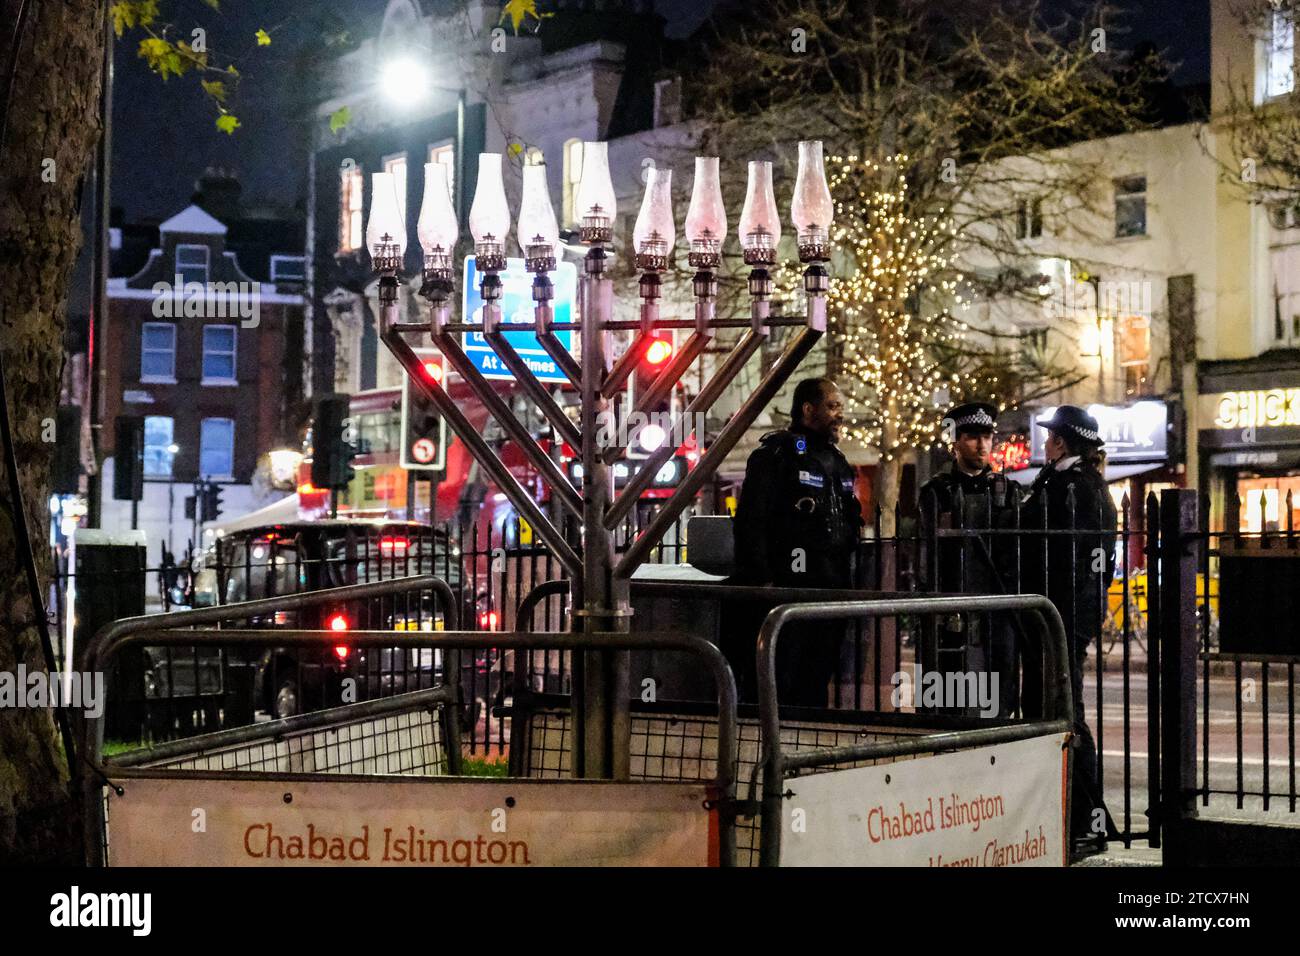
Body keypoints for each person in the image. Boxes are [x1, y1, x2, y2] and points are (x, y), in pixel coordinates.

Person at [1020, 405, 1118, 860]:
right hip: (1060, 615)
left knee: (1065, 712)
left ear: (1061, 441)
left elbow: (1072, 561)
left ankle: (1087, 818)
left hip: (1060, 616)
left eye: (1050, 436)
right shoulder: (1074, 483)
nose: (1045, 442)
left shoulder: (1075, 488)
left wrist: (1068, 618)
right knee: (1053, 710)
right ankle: (1068, 815)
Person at [730, 377, 864, 706]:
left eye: (841, 407)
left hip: (830, 591)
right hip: (787, 591)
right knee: (781, 680)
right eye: (832, 406)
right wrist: (763, 579)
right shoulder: (777, 455)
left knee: (817, 679)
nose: (839, 414)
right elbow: (752, 522)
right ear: (808, 409)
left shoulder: (837, 461)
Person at [917, 402, 1022, 717]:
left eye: (987, 436)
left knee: (996, 699)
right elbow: (928, 553)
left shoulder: (1007, 490)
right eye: (972, 436)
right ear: (956, 442)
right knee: (950, 695)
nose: (982, 444)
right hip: (950, 599)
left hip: (996, 602)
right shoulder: (937, 491)